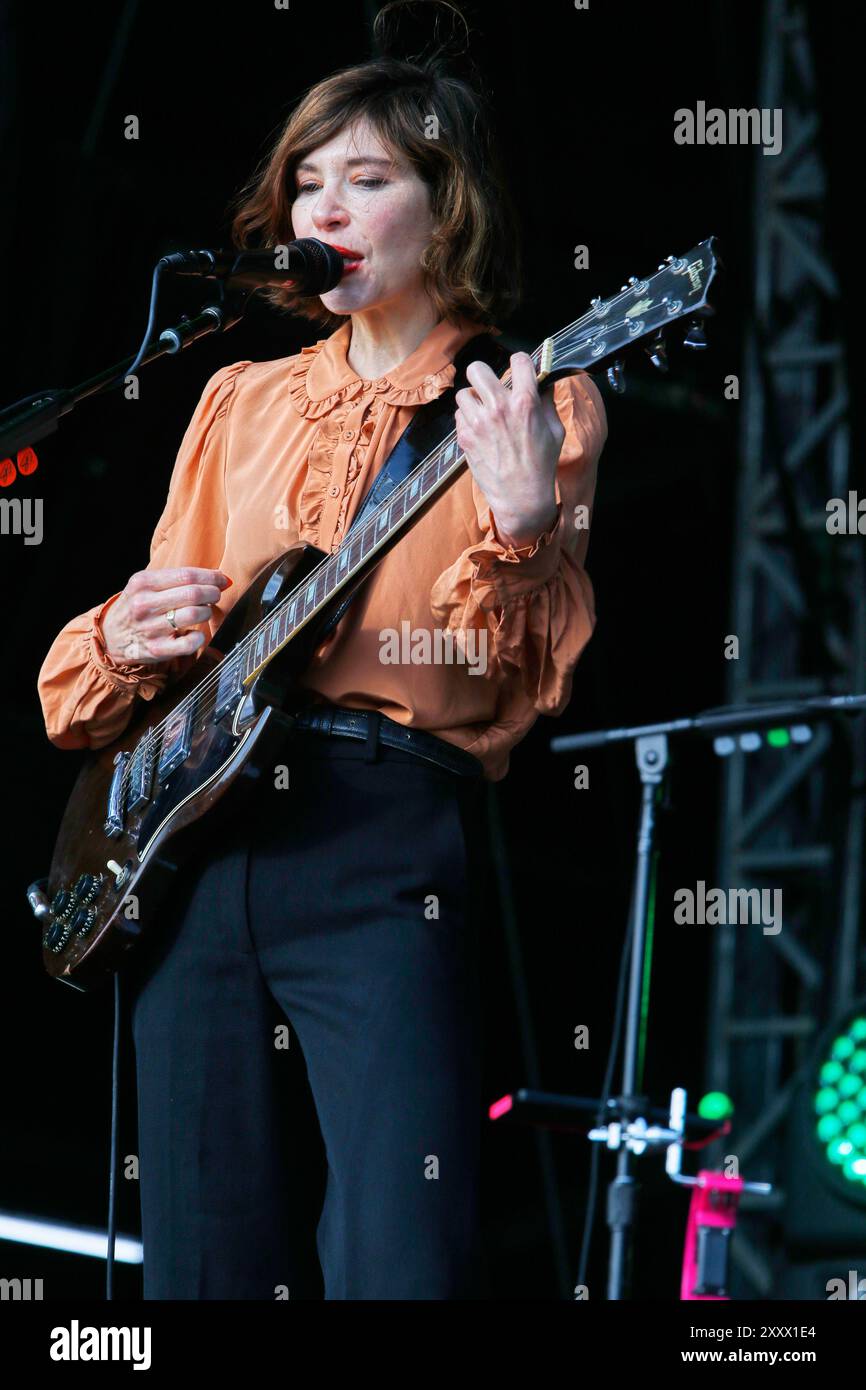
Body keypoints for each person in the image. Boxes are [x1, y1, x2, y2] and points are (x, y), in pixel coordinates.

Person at [36, 8, 607, 1300]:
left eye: (368, 177)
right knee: (199, 1260)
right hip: (196, 839)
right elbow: (118, 669)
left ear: (443, 206)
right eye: (308, 179)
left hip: (379, 838)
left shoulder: (529, 402)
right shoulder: (239, 400)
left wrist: (522, 532)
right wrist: (122, 635)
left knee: (399, 1255)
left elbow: (495, 686)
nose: (327, 203)